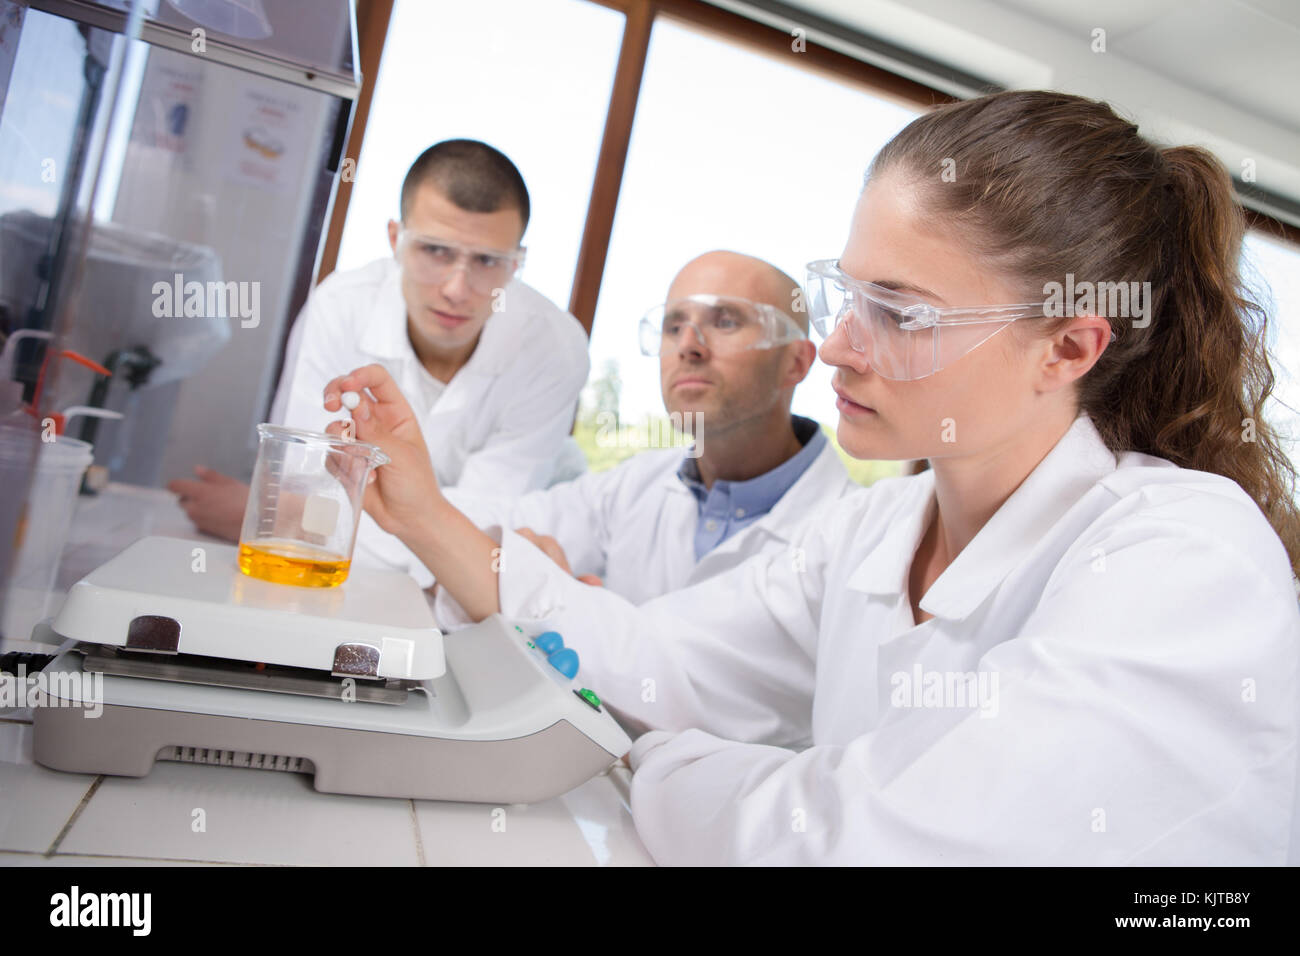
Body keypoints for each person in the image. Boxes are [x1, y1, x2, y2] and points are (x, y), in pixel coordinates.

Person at [318, 91, 1300, 865]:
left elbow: (880, 841)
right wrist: (424, 514)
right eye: (846, 294)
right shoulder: (878, 531)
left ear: (1066, 346)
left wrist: (652, 757)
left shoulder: (1182, 554)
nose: (834, 346)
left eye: (900, 312)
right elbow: (659, 658)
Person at [168, 139, 590, 585]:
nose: (456, 289)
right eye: (435, 251)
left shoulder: (554, 349)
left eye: (488, 260)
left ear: (518, 262)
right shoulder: (339, 308)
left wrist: (263, 516)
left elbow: (477, 536)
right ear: (396, 240)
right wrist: (291, 512)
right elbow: (302, 487)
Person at [432, 249, 855, 626]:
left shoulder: (849, 534)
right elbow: (488, 532)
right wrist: (520, 565)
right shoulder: (633, 486)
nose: (689, 346)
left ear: (795, 362)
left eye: (725, 321)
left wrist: (572, 608)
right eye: (673, 326)